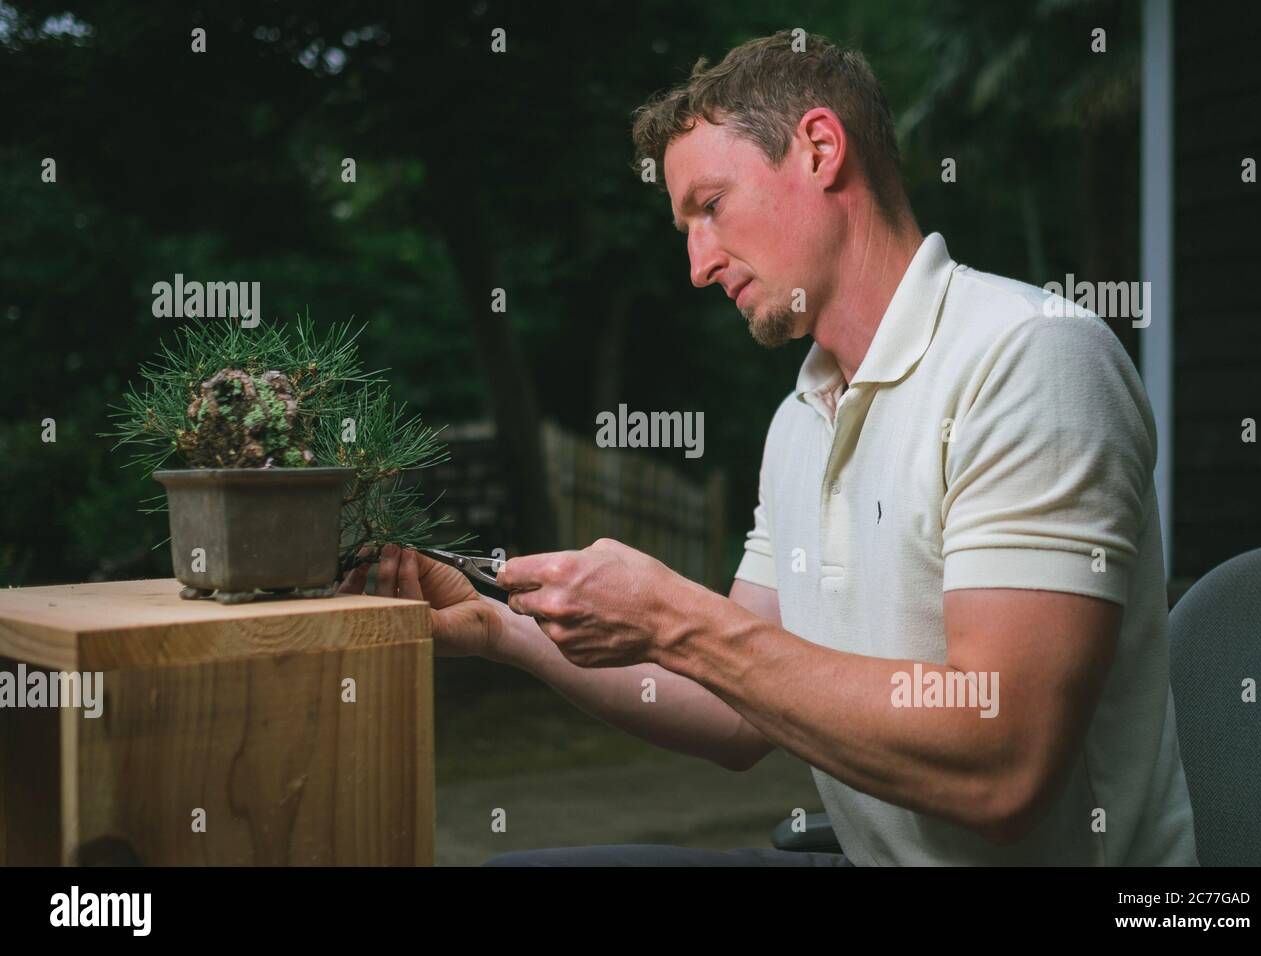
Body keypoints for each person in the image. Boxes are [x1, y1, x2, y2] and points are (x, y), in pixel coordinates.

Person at [340, 30, 1198, 867]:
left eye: (709, 208)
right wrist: (496, 622)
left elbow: (1004, 763)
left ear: (821, 149)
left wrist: (676, 619)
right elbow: (736, 714)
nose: (698, 265)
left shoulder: (1030, 358)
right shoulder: (804, 416)